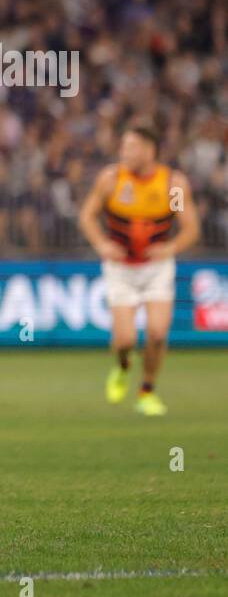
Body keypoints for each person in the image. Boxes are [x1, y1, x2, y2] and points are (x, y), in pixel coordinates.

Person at [79, 122, 200, 416]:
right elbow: (87, 216)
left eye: (131, 147)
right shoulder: (111, 180)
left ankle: (146, 390)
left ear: (150, 150)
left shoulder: (172, 184)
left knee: (157, 333)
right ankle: (122, 367)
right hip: (120, 268)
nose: (124, 152)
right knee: (125, 341)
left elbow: (190, 228)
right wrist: (101, 244)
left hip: (156, 268)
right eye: (123, 146)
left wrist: (169, 248)